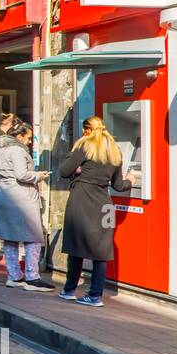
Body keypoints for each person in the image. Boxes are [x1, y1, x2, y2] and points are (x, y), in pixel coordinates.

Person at [58, 116, 139, 307]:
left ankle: (69, 290)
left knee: (75, 247)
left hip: (81, 201)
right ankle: (95, 295)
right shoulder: (115, 151)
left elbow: (63, 171)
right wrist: (131, 181)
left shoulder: (84, 147)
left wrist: (76, 165)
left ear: (86, 130)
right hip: (105, 204)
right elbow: (119, 186)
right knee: (101, 251)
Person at [0, 121, 52, 291]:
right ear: (19, 136)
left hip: (4, 194)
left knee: (10, 238)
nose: (30, 141)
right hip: (20, 197)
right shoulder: (17, 150)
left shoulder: (1, 149)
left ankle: (14, 276)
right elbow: (21, 174)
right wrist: (39, 175)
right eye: (28, 137)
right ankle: (32, 278)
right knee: (33, 237)